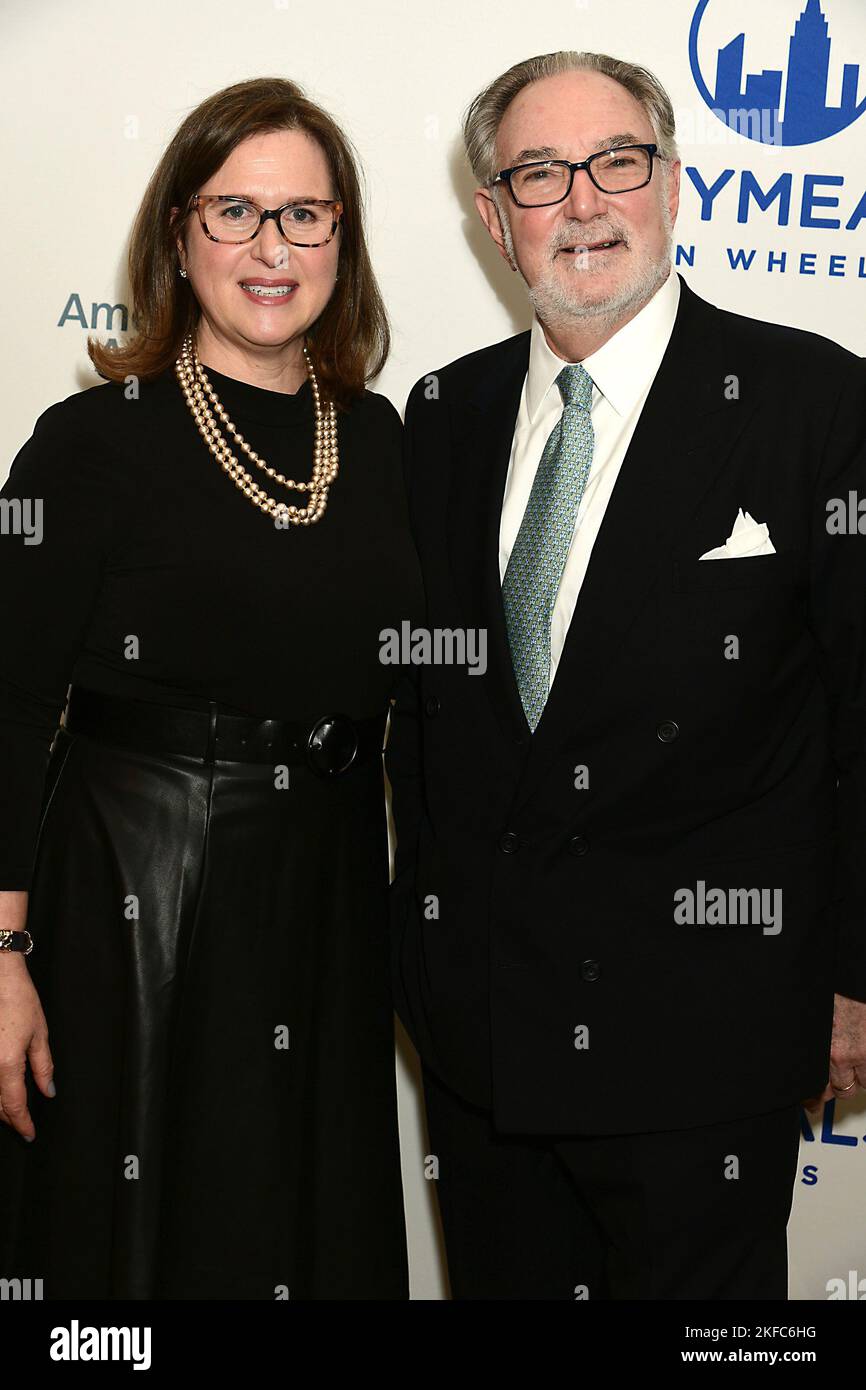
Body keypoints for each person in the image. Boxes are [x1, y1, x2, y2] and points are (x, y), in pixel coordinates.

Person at [386, 50, 866, 1300]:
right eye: (539, 173)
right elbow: (428, 720)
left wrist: (852, 977)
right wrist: (421, 966)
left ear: (672, 183)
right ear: (493, 217)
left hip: (708, 1042)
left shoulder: (814, 401)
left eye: (616, 161)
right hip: (484, 1048)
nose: (584, 201)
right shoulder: (440, 415)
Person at [0, 75, 421, 1300]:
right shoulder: (91, 442)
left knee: (301, 1219)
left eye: (304, 215)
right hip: (140, 889)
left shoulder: (382, 440)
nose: (270, 247)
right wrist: (2, 953)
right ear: (179, 235)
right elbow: (8, 707)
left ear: (341, 237)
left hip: (329, 889)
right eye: (234, 212)